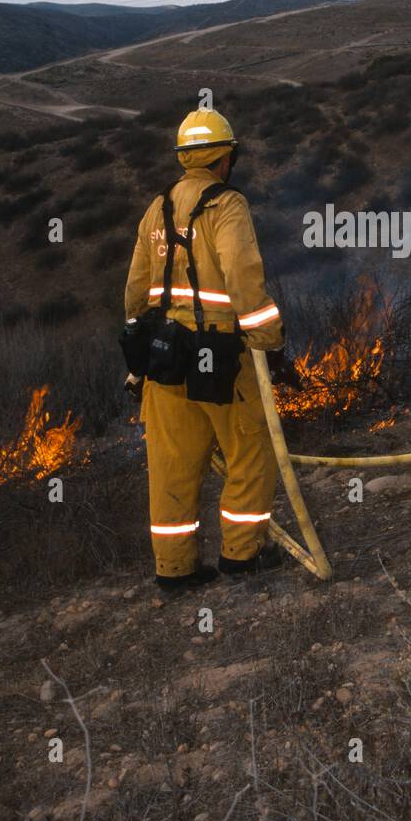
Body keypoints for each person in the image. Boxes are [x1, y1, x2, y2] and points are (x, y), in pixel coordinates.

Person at [124, 108, 294, 594]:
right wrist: (270, 341)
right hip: (222, 354)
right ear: (226, 158)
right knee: (248, 450)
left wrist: (139, 353)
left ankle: (174, 569)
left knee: (172, 464)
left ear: (184, 158)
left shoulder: (157, 207)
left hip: (164, 355)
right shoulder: (227, 204)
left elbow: (135, 288)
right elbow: (242, 275)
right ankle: (242, 555)